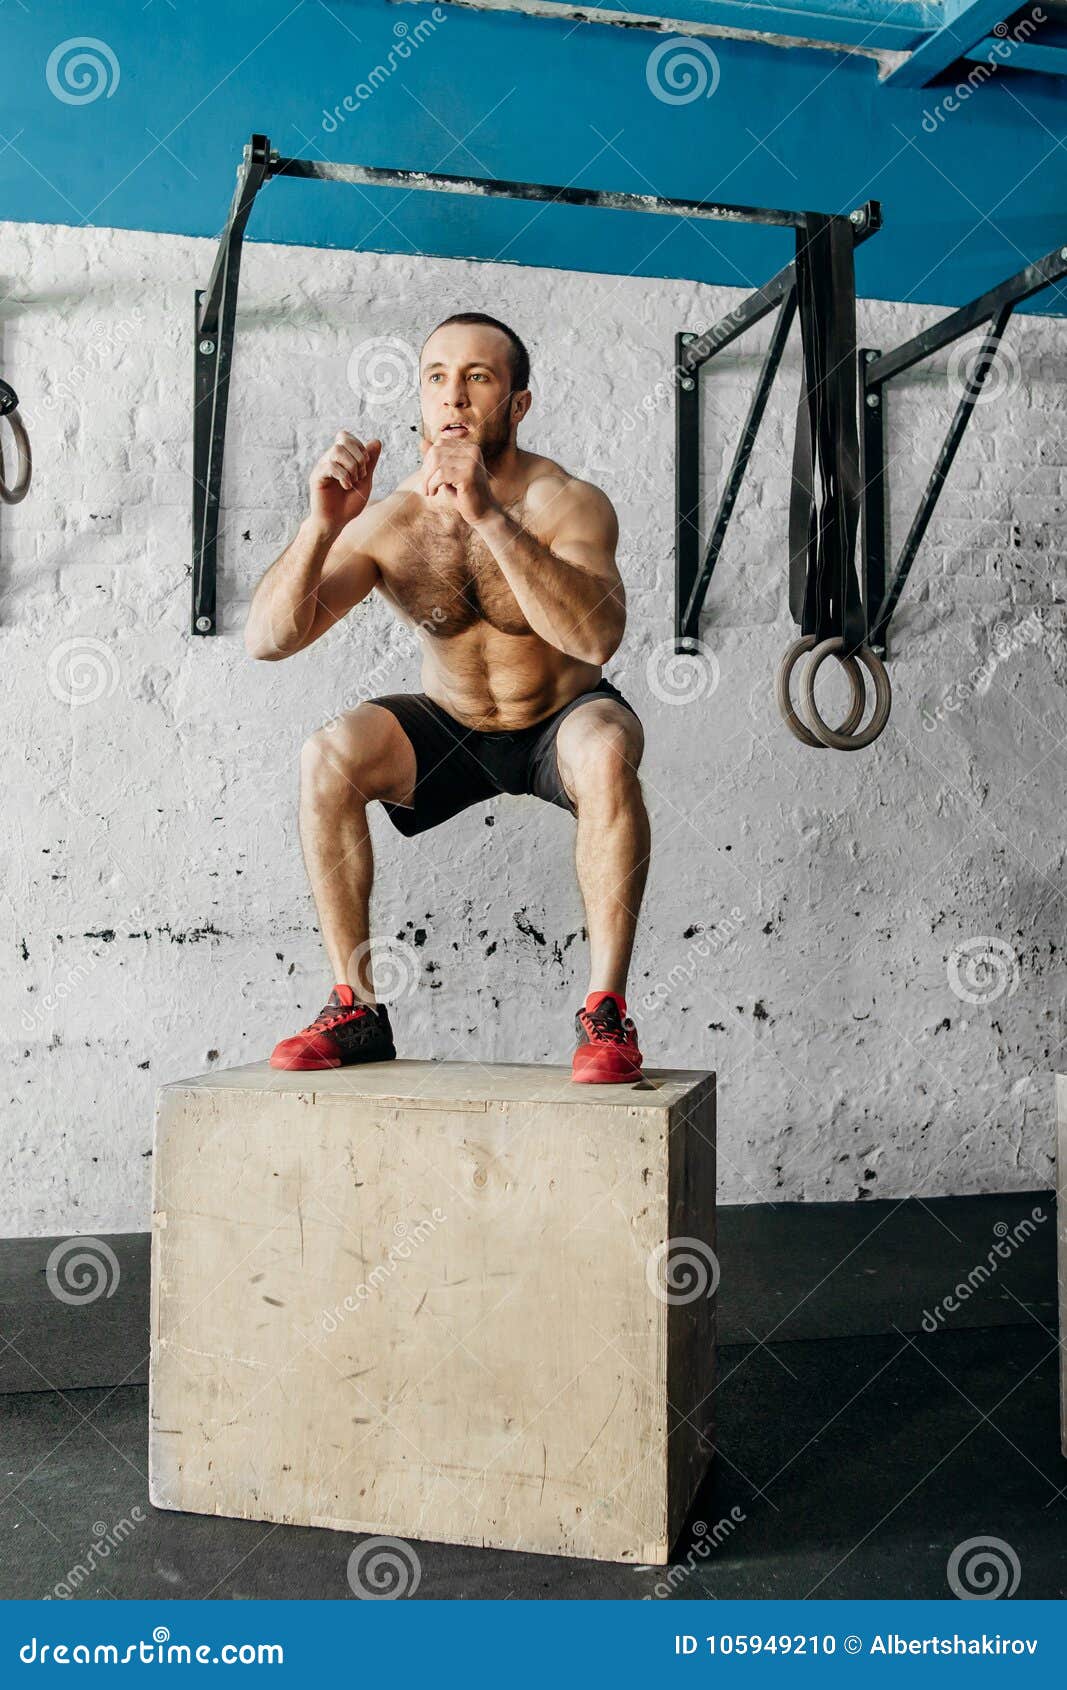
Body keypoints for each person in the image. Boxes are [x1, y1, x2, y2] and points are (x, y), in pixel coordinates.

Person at [245, 313, 650, 1083]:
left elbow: (595, 641)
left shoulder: (569, 503)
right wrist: (320, 525)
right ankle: (355, 1007)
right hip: (451, 724)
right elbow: (269, 639)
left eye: (478, 377)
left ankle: (605, 1013)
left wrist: (487, 516)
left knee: (603, 750)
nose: (454, 395)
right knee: (326, 754)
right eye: (436, 377)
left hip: (558, 720)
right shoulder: (389, 517)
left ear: (517, 404)